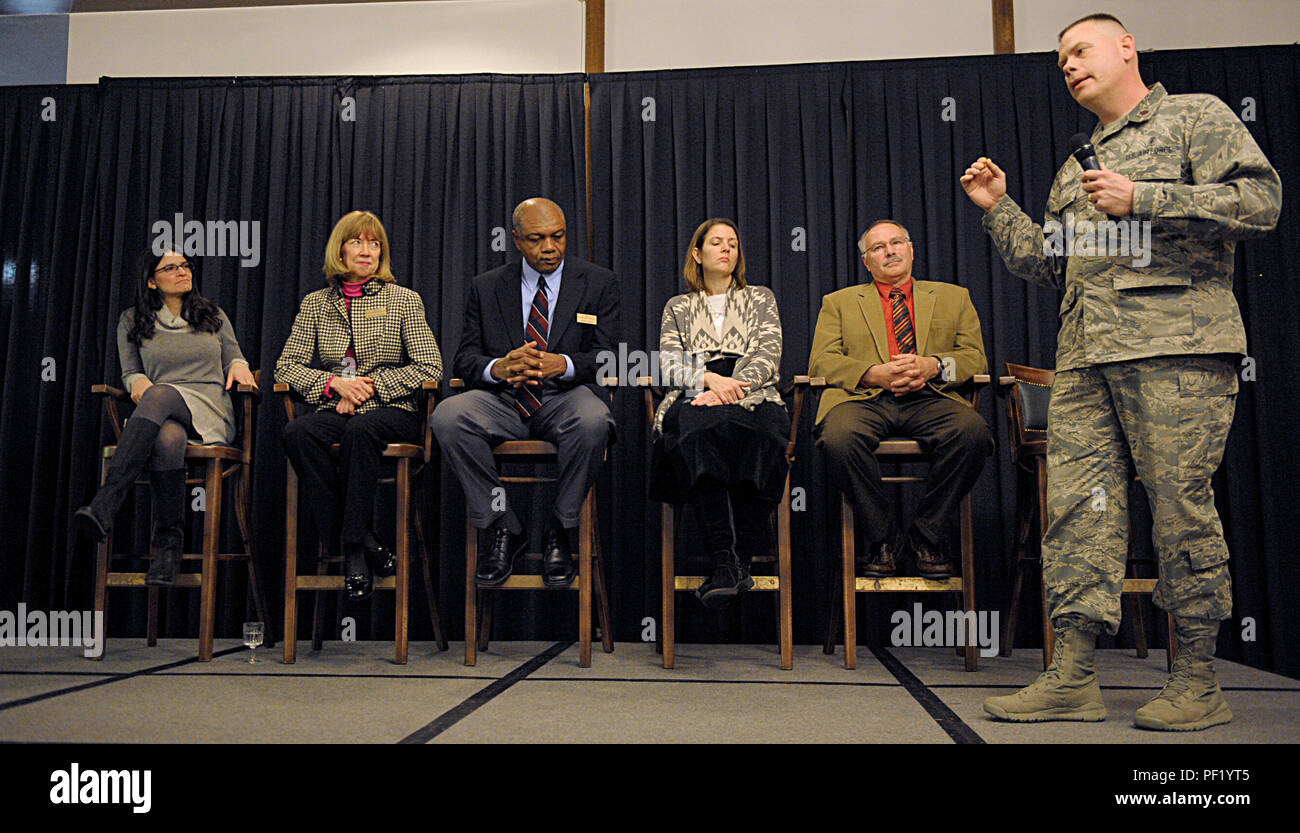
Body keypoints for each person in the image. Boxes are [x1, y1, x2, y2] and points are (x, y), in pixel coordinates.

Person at [962, 13, 1281, 731]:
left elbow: (1262, 203)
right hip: (1083, 361)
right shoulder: (1078, 165)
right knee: (1078, 515)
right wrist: (998, 209)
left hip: (1175, 348)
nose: (1069, 65)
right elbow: (1051, 263)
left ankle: (1197, 679)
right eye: (1061, 59)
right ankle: (1072, 675)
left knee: (1178, 507)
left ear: (1126, 47)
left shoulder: (1195, 117)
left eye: (1081, 49)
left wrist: (1147, 198)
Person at [431, 197, 619, 588]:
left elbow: (611, 357)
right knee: (447, 416)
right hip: (503, 401)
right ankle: (503, 526)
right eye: (536, 239)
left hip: (564, 398)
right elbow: (464, 359)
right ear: (516, 240)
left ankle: (560, 528)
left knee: (593, 419)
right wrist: (497, 368)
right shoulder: (486, 287)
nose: (549, 248)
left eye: (558, 236)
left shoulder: (598, 282)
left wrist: (563, 364)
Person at [809, 220, 992, 579]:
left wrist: (933, 365)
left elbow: (974, 357)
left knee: (973, 433)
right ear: (866, 261)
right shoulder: (839, 303)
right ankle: (884, 537)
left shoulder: (954, 296)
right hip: (864, 398)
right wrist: (872, 373)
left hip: (931, 396)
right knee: (838, 438)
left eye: (896, 243)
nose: (889, 251)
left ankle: (926, 535)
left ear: (911, 250)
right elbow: (822, 360)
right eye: (878, 247)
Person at [276, 210, 443, 601]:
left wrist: (370, 388)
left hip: (392, 410)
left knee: (360, 430)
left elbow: (429, 366)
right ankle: (368, 541)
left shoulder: (403, 299)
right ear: (341, 249)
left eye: (374, 243)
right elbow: (286, 367)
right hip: (337, 406)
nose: (367, 250)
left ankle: (351, 551)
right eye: (357, 242)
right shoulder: (316, 303)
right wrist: (334, 384)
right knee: (297, 432)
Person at [74, 250, 257, 586]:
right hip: (160, 414)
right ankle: (169, 548)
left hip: (208, 409)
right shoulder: (132, 319)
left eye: (185, 266)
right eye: (170, 268)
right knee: (167, 437)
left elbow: (236, 357)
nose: (181, 271)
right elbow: (130, 372)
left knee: (160, 393)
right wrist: (135, 382)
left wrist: (239, 364)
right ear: (151, 280)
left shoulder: (212, 314)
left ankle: (106, 502)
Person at [648, 219, 789, 608]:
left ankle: (738, 559)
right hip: (697, 389)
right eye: (716, 243)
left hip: (752, 390)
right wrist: (707, 381)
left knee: (764, 437)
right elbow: (669, 363)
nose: (726, 249)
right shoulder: (678, 306)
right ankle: (725, 560)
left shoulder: (760, 297)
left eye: (733, 244)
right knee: (695, 434)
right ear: (698, 253)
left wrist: (734, 390)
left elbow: (768, 355)